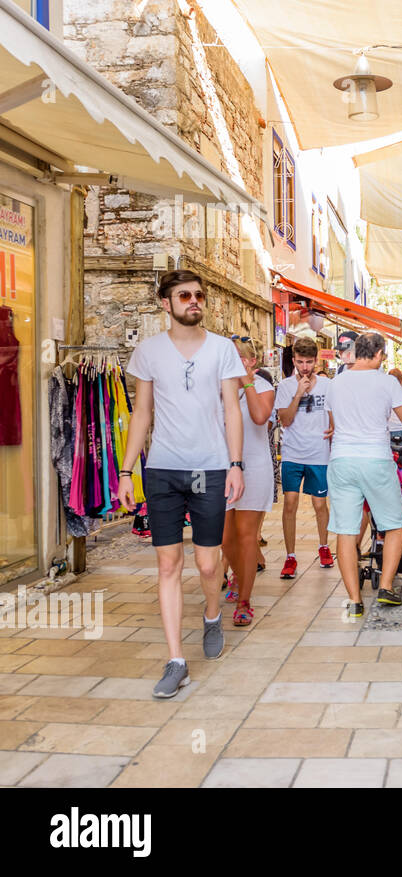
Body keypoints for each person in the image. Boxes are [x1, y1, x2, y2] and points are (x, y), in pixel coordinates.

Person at [118, 270, 246, 698]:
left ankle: (212, 614)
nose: (195, 301)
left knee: (208, 564)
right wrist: (125, 470)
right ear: (166, 303)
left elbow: (232, 409)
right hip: (164, 471)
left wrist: (235, 463)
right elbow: (142, 414)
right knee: (168, 564)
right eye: (185, 295)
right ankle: (176, 660)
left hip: (209, 468)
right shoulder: (149, 351)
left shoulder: (223, 349)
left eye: (199, 295)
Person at [325, 332, 402, 616]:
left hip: (341, 460)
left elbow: (333, 424)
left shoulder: (335, 383)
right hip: (376, 459)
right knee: (395, 525)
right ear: (378, 354)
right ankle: (386, 587)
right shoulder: (387, 381)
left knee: (346, 530)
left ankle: (354, 600)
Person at [219, 338, 275, 626]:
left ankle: (244, 600)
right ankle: (238, 576)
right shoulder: (219, 388)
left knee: (246, 535)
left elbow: (259, 416)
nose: (235, 362)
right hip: (222, 468)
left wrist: (247, 383)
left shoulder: (264, 388)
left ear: (252, 361)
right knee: (223, 537)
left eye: (240, 358)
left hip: (254, 468)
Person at [274, 337, 334, 579]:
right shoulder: (286, 387)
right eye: (300, 362)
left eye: (309, 362)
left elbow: (333, 415)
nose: (305, 367)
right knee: (290, 503)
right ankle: (290, 556)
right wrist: (298, 393)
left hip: (319, 452)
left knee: (320, 504)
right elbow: (285, 420)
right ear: (293, 361)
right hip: (292, 452)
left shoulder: (327, 386)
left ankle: (324, 546)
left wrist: (334, 428)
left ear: (316, 360)